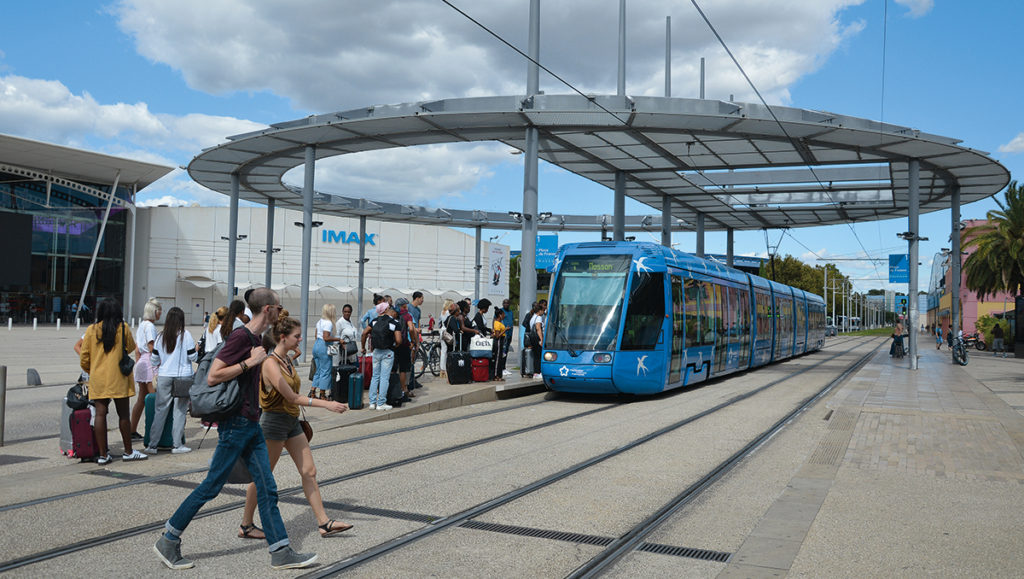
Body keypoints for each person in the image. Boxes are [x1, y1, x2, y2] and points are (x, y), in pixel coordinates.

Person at [155, 287, 319, 571]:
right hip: (236, 426)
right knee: (210, 487)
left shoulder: (255, 337)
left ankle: (280, 550)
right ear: (267, 309)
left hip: (251, 424)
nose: (281, 313)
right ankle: (169, 539)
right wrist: (249, 362)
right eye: (278, 308)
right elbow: (214, 375)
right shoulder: (242, 337)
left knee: (267, 488)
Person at [237, 316, 352, 541]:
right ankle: (246, 524)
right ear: (283, 337)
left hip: (291, 422)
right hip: (273, 424)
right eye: (297, 336)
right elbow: (291, 396)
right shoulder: (270, 363)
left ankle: (323, 522)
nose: (300, 340)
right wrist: (327, 404)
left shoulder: (288, 360)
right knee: (262, 476)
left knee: (309, 471)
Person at [79, 298, 147, 465]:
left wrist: (92, 370)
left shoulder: (91, 330)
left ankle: (103, 455)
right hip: (119, 378)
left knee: (100, 414)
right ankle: (128, 451)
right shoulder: (122, 328)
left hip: (98, 379)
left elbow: (84, 357)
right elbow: (131, 347)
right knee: (123, 414)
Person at [146, 307, 196, 455]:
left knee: (160, 411)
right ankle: (177, 445)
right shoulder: (185, 335)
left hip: (164, 376)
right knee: (179, 411)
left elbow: (154, 360)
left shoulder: (161, 337)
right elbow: (193, 357)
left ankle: (152, 445)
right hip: (183, 377)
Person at [130, 298, 162, 441]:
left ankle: (132, 429)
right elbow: (152, 347)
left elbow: (137, 349)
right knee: (153, 398)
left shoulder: (141, 325)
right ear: (154, 311)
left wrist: (139, 364)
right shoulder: (150, 327)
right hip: (150, 361)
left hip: (142, 361)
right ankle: (153, 432)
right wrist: (159, 362)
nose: (161, 312)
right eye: (159, 310)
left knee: (141, 399)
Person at [366, 302, 402, 411]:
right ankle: (381, 403)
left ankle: (372, 403)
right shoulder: (394, 322)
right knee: (384, 377)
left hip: (376, 351)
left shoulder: (374, 321)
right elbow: (399, 340)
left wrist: (363, 347)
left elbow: (364, 333)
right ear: (386, 310)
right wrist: (395, 345)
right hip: (388, 352)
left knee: (375, 376)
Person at [309, 304, 340, 401]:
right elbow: (326, 338)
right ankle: (322, 394)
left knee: (318, 371)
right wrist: (339, 339)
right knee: (325, 371)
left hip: (317, 345)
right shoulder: (329, 323)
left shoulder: (319, 322)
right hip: (324, 346)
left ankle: (313, 391)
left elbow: (316, 335)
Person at [394, 298, 418, 400]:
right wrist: (413, 340)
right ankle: (404, 390)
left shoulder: (394, 314)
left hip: (394, 345)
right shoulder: (407, 315)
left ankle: (395, 390)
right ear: (404, 306)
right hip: (404, 344)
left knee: (394, 369)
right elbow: (411, 328)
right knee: (404, 369)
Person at [438, 298, 455, 379]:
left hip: (442, 332)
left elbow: (439, 323)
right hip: (447, 332)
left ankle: (442, 370)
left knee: (443, 351)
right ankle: (446, 369)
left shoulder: (442, 312)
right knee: (447, 351)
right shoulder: (448, 313)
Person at [530, 302, 546, 379]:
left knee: (536, 356)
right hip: (537, 339)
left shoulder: (533, 317)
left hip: (532, 338)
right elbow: (538, 329)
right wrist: (541, 339)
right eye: (543, 311)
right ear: (539, 311)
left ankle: (536, 373)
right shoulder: (538, 318)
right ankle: (538, 372)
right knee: (539, 355)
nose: (543, 312)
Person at [491, 308, 508, 381]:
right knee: (497, 359)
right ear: (500, 315)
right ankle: (495, 375)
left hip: (501, 342)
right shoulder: (497, 323)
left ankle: (499, 374)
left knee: (500, 358)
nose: (504, 316)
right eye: (503, 314)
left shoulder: (500, 323)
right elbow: (497, 336)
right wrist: (505, 330)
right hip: (498, 341)